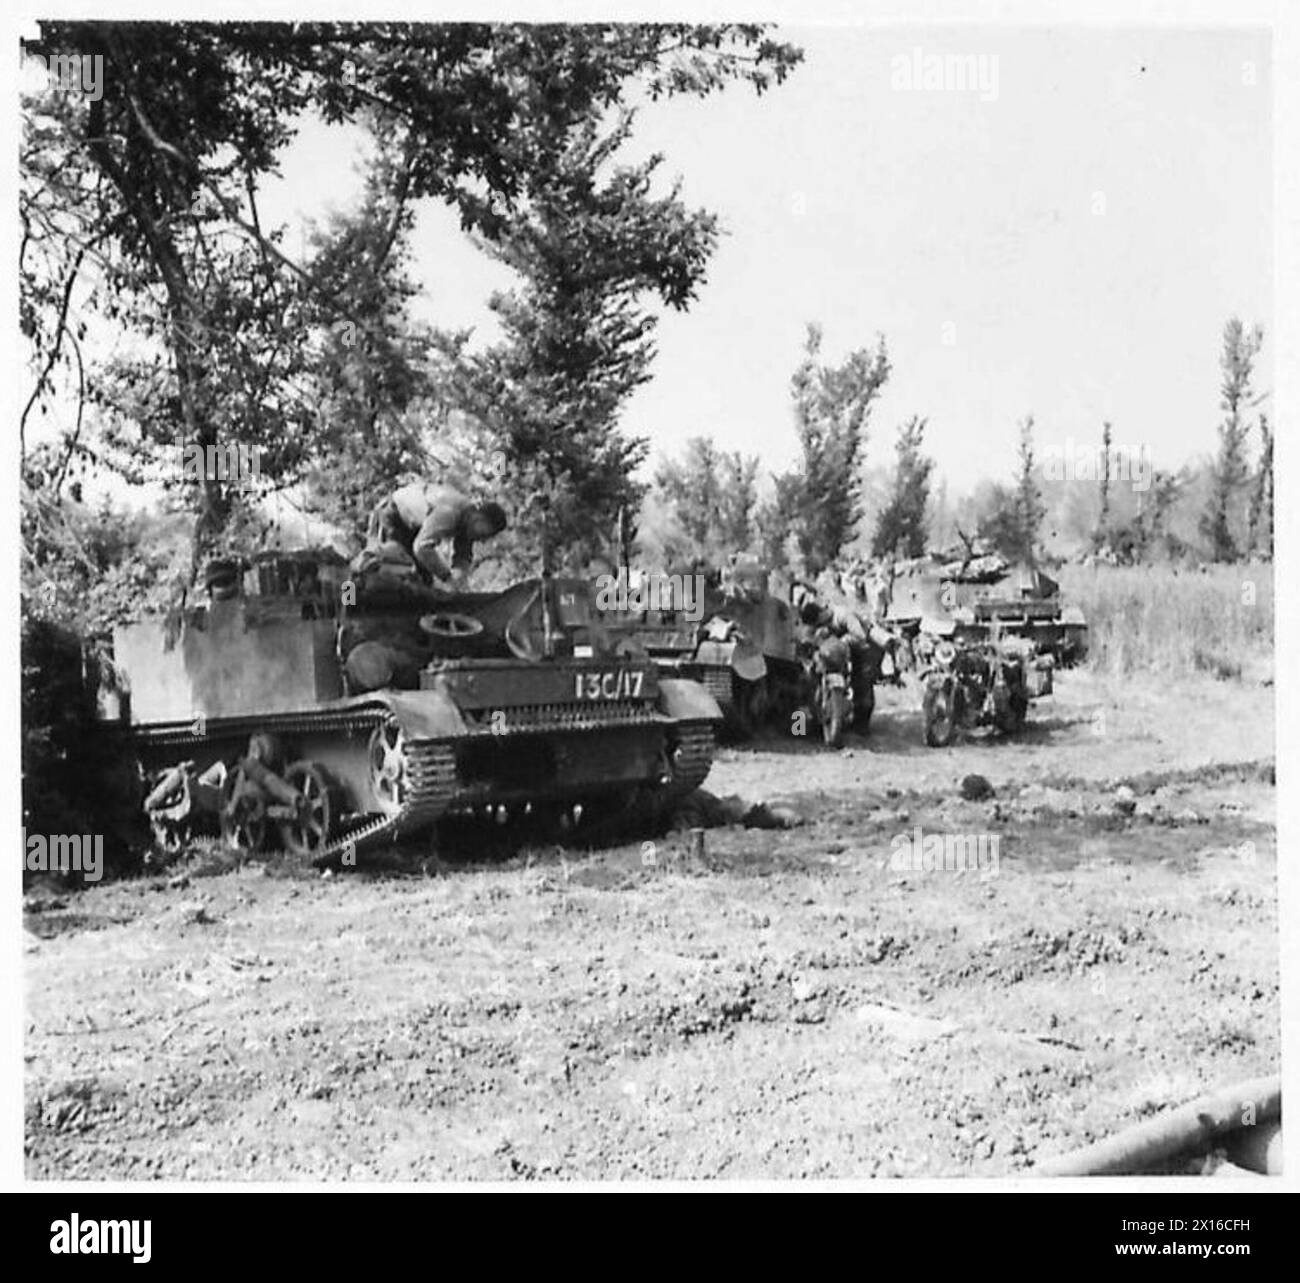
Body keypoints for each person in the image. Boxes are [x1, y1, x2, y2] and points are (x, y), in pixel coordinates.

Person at [359, 483, 507, 587]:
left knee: (424, 583)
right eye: (484, 533)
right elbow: (422, 548)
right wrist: (447, 577)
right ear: (478, 517)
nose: (482, 540)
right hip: (393, 515)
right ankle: (350, 587)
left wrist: (460, 581)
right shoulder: (449, 512)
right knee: (393, 563)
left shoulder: (467, 522)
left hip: (414, 528)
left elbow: (462, 556)